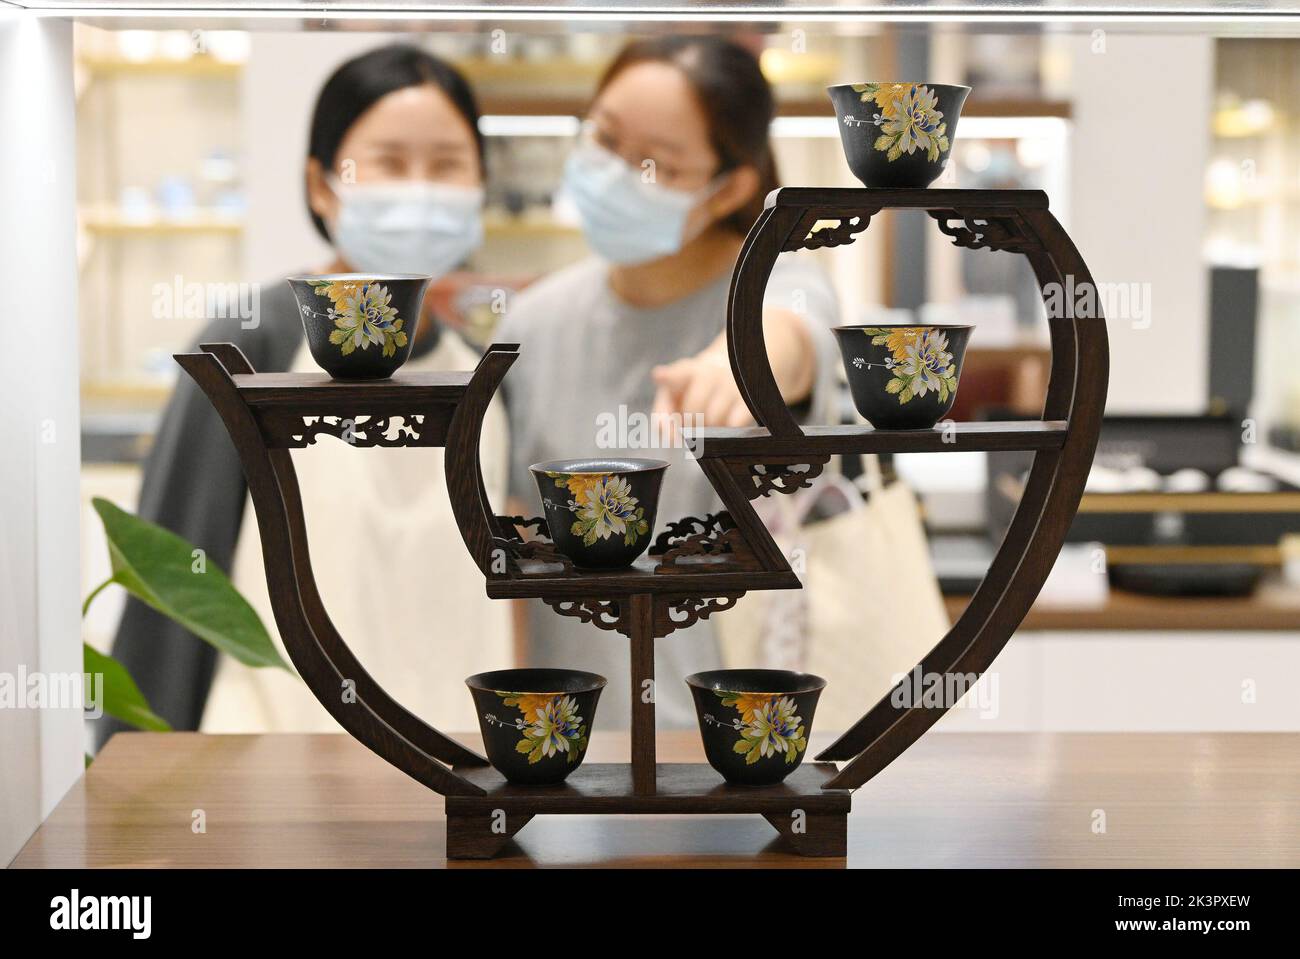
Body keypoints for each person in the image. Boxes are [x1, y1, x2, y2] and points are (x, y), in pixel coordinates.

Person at [103, 44, 511, 742]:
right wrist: (134, 781)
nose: (419, 189)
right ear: (323, 184)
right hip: (268, 770)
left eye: (446, 165)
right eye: (387, 162)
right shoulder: (251, 342)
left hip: (456, 776)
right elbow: (173, 567)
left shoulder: (485, 375)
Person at [494, 35, 843, 729]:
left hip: (744, 747)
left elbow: (795, 336)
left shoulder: (779, 286)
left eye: (659, 164)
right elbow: (508, 541)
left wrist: (737, 364)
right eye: (605, 138)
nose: (618, 174)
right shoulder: (533, 324)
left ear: (731, 187)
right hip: (572, 750)